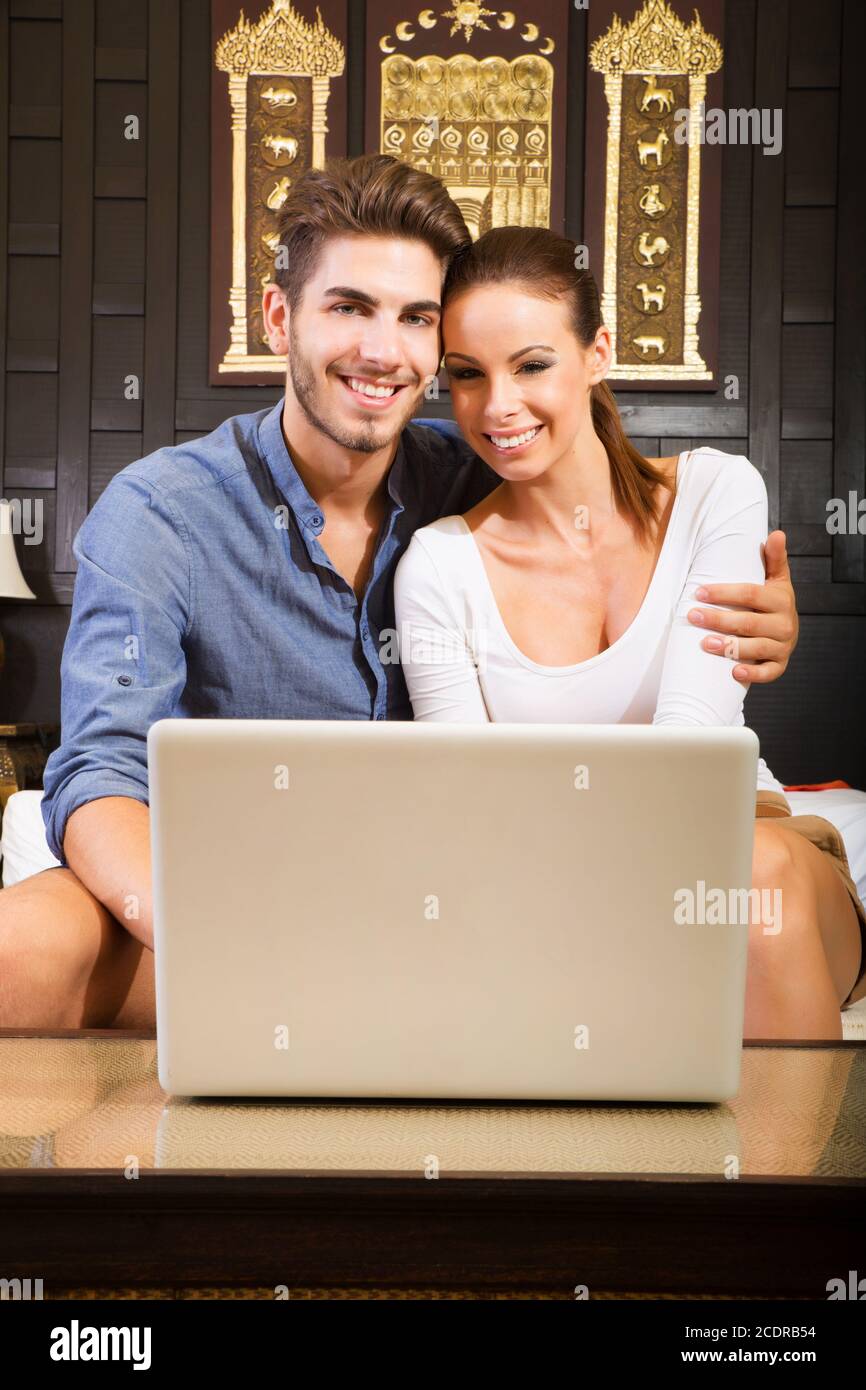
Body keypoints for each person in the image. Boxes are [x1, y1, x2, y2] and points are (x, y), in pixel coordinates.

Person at [0, 157, 799, 1030]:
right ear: (279, 319)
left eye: (416, 318)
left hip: (444, 898)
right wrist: (212, 936)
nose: (383, 353)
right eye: (348, 307)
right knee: (25, 943)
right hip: (233, 901)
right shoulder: (160, 515)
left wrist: (752, 611)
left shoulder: (478, 474)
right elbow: (103, 769)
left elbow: (615, 501)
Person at [393, 225, 865, 1040]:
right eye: (467, 375)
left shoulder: (718, 492)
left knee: (750, 885)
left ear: (597, 353)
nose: (498, 407)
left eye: (532, 364)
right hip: (546, 890)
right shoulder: (437, 566)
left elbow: (687, 756)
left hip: (741, 843)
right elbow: (465, 806)